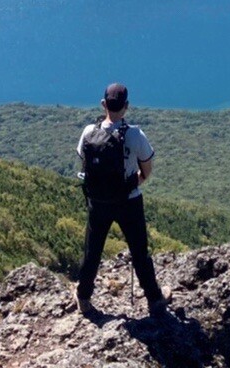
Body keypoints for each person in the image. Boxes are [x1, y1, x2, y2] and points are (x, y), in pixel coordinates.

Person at [74, 82, 167, 317]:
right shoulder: (135, 135)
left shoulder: (88, 132)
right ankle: (154, 299)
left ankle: (83, 297)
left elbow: (84, 162)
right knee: (139, 252)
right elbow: (146, 170)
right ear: (126, 107)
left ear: (103, 104)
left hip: (98, 203)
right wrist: (132, 182)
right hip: (128, 201)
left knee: (92, 251)